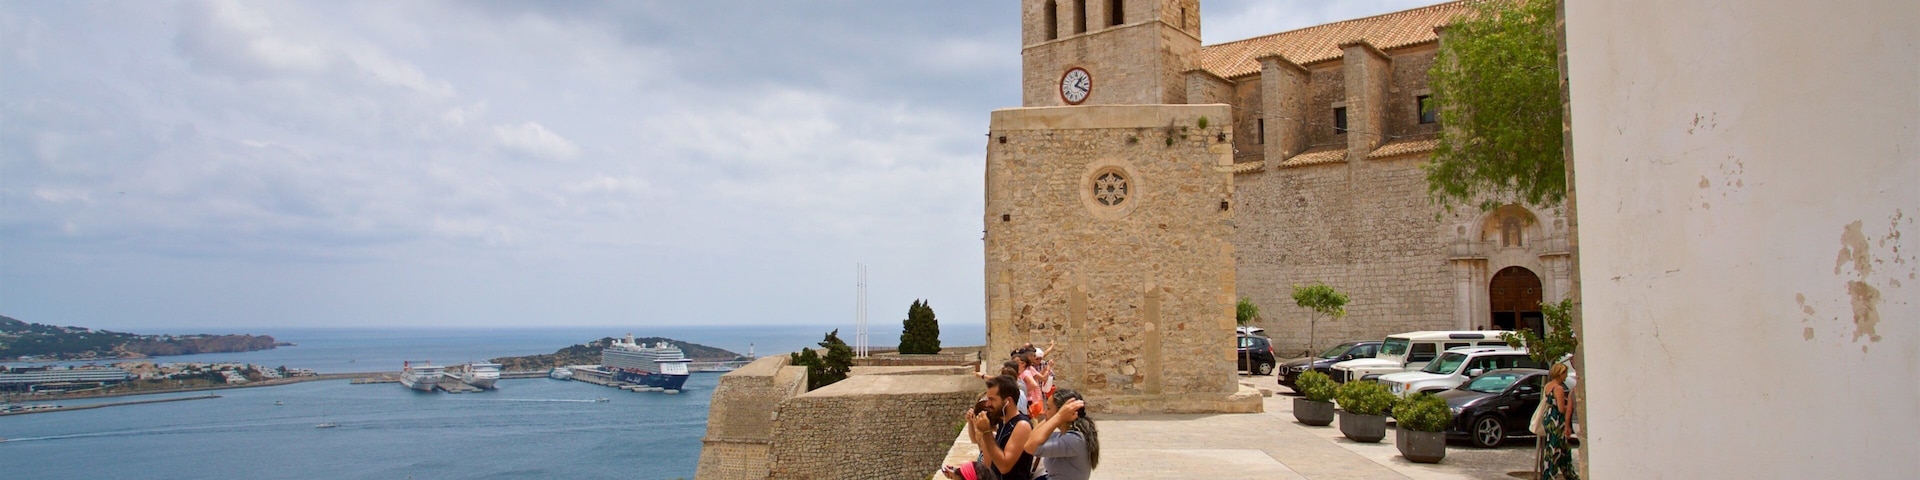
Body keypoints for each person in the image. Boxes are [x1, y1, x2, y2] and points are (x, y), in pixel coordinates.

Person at [967, 375, 1035, 480]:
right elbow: (989, 464)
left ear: (1008, 401)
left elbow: (1004, 466)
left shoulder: (1021, 425)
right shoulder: (1003, 423)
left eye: (992, 399)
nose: (988, 404)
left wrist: (986, 432)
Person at [1021, 389, 1099, 480]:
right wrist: (1050, 418)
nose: (1045, 412)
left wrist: (1058, 417)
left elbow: (1030, 447)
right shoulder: (1061, 435)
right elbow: (1030, 439)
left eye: (1049, 408)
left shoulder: (1074, 440)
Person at [1542, 362, 1580, 480]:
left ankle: (1568, 473)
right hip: (1557, 419)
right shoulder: (1558, 388)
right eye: (1565, 373)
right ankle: (1553, 475)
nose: (1566, 376)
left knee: (1559, 446)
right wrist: (1568, 404)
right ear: (1560, 374)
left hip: (1548, 416)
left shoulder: (1548, 386)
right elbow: (1561, 408)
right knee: (1555, 447)